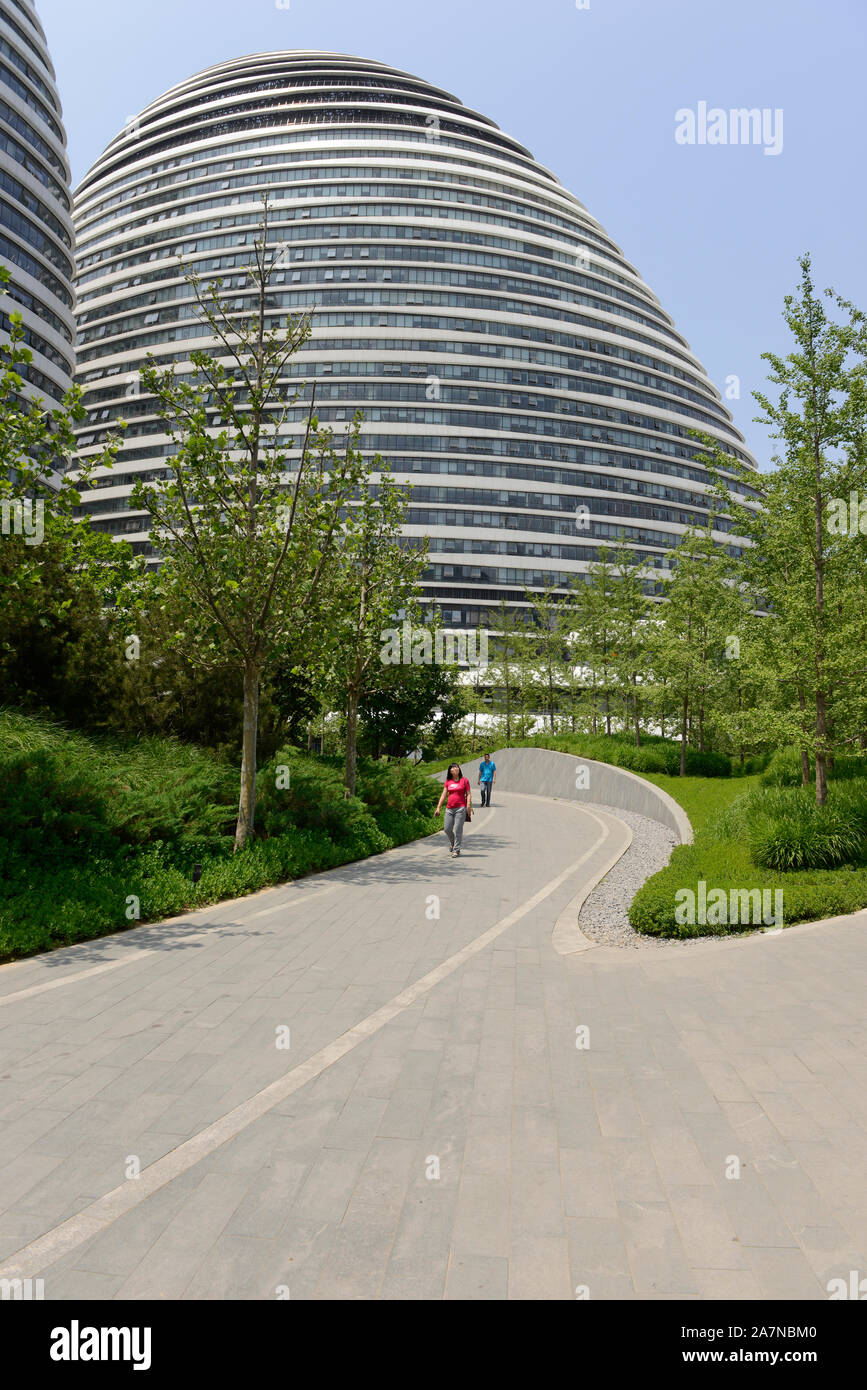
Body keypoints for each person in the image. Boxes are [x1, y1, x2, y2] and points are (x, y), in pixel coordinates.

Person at [435, 762, 472, 858]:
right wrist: (438, 807)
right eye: (452, 767)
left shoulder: (464, 781)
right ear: (450, 771)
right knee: (447, 829)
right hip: (449, 809)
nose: (455, 768)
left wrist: (468, 805)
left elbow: (468, 794)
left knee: (458, 830)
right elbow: (443, 795)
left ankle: (456, 850)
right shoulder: (448, 781)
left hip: (461, 808)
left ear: (459, 769)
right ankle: (452, 842)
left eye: (456, 767)